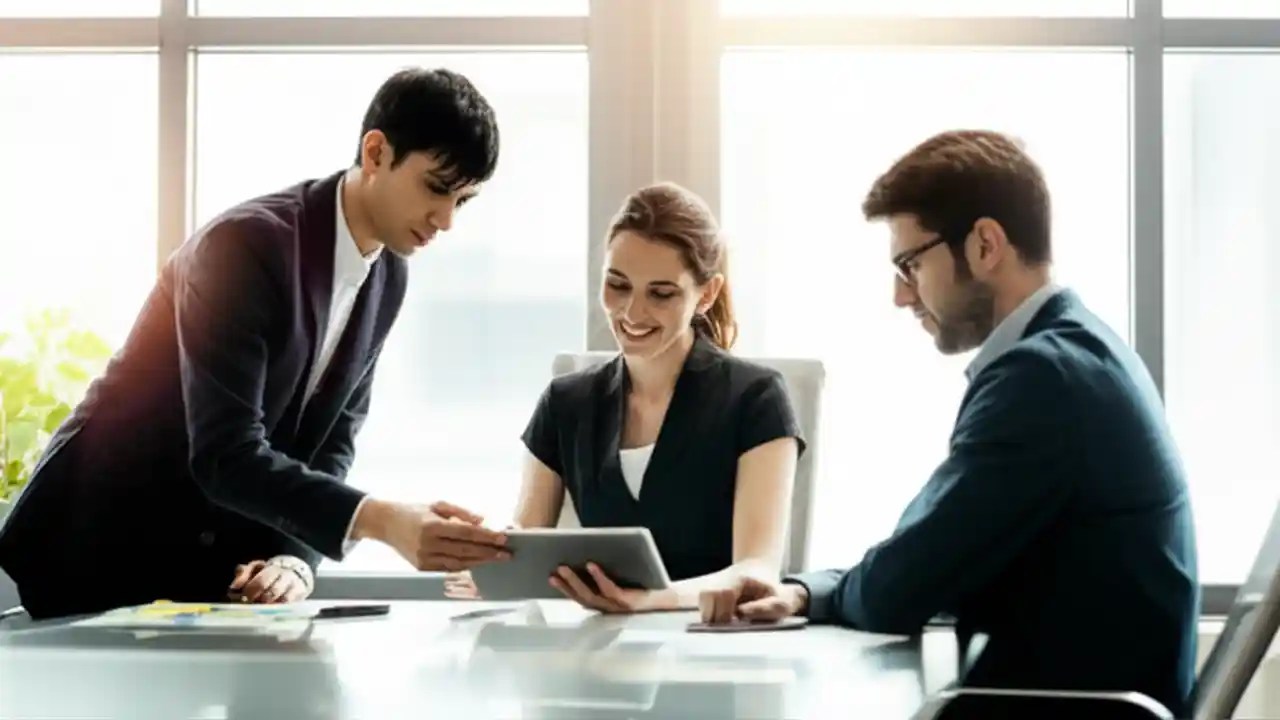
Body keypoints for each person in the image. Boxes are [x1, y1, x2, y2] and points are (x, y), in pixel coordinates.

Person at [699, 131, 1200, 715]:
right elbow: (931, 554)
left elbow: (903, 584)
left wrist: (813, 593)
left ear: (986, 244)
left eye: (910, 264)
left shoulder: (1041, 380)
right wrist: (808, 591)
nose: (899, 295)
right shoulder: (1080, 350)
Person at [0, 67, 513, 620]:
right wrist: (385, 521)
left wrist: (293, 561)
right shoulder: (243, 246)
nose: (446, 220)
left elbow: (332, 442)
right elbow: (226, 453)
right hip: (94, 555)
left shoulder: (389, 275)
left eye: (463, 201)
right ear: (376, 152)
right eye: (436, 188)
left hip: (200, 582)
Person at [445, 182, 805, 613]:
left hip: (714, 644)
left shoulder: (756, 397)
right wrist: (484, 552)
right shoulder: (566, 402)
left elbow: (757, 571)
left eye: (661, 293)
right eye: (618, 285)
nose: (632, 313)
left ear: (705, 295)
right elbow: (525, 535)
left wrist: (652, 599)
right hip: (601, 650)